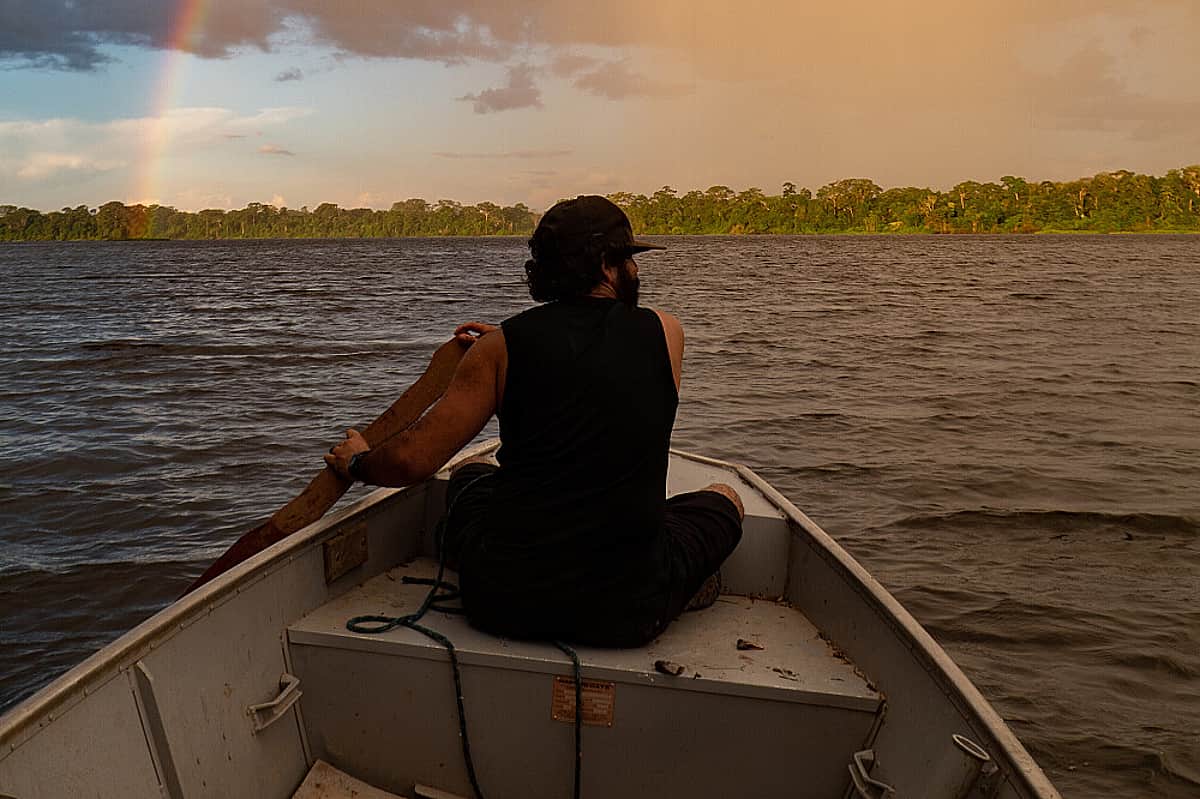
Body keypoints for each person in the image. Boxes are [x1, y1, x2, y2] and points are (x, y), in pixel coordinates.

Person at [326, 195, 743, 647]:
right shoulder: (667, 333)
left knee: (471, 476)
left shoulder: (501, 350)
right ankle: (685, 581)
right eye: (629, 260)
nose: (636, 272)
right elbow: (595, 370)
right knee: (724, 497)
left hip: (504, 602)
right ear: (606, 265)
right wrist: (507, 348)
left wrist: (356, 463)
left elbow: (410, 461)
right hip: (629, 609)